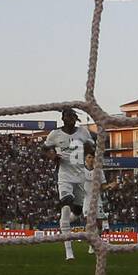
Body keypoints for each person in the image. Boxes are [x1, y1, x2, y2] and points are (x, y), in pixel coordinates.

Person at [43, 108, 95, 261]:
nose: (70, 118)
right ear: (63, 118)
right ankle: (69, 252)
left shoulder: (83, 132)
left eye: (73, 116)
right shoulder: (55, 134)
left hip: (80, 174)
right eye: (67, 116)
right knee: (66, 204)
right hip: (64, 174)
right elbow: (44, 149)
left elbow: (92, 146)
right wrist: (51, 155)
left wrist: (87, 149)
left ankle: (64, 221)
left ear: (75, 118)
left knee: (77, 211)